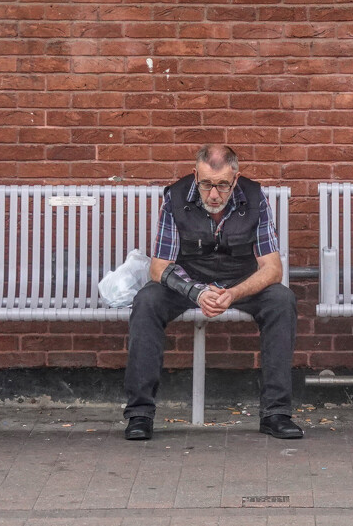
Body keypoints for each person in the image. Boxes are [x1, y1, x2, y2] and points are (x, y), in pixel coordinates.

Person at [123, 144, 303, 440]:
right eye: (206, 184)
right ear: (195, 176)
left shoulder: (255, 198)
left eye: (222, 185)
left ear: (235, 178)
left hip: (239, 279)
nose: (214, 194)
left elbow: (272, 269)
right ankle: (139, 414)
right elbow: (159, 267)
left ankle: (276, 413)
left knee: (282, 300)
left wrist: (232, 293)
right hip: (188, 279)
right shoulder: (175, 197)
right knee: (146, 301)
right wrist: (195, 292)